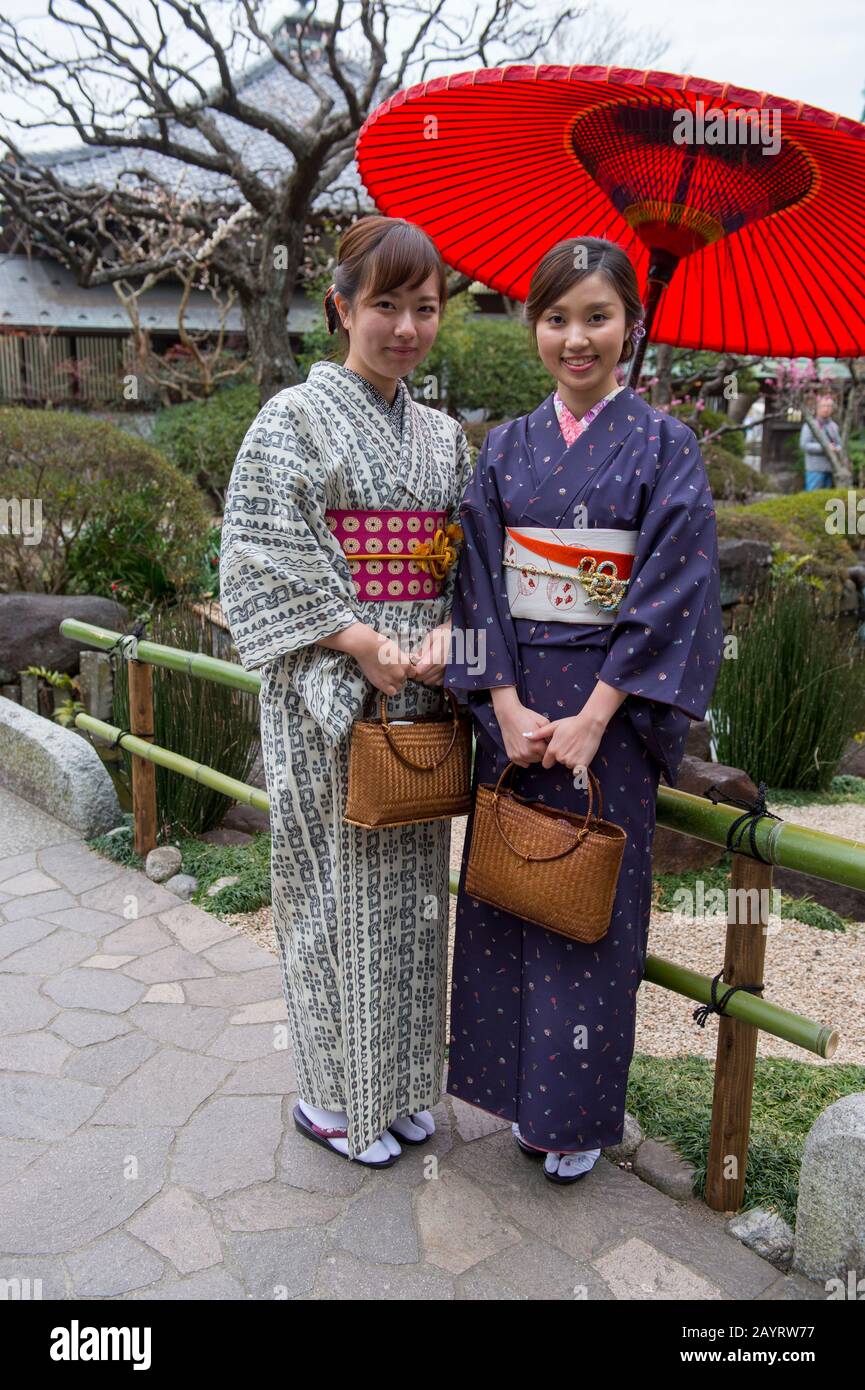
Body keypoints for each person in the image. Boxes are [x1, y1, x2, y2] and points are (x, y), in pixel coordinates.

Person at [444, 236, 724, 1185]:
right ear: (534, 328)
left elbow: (670, 589)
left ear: (629, 328)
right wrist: (506, 706)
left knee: (589, 909)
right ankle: (513, 1092)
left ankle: (570, 1118)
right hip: (517, 719)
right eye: (556, 318)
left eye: (596, 317)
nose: (576, 338)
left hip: (606, 721)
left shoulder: (665, 445)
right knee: (511, 894)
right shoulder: (504, 449)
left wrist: (598, 716)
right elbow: (478, 584)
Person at [219, 216, 474, 1166]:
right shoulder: (291, 420)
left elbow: (467, 556)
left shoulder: (443, 439)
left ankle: (402, 1088)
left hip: (415, 698)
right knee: (331, 893)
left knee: (413, 896)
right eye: (384, 306)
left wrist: (449, 631)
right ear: (340, 308)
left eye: (424, 307)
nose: (405, 326)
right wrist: (359, 638)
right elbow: (257, 551)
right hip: (326, 691)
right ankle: (331, 1098)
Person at [800, 393, 841, 491]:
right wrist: (826, 447)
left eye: (829, 406)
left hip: (831, 467)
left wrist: (837, 448)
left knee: (826, 500)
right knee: (812, 498)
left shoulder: (834, 426)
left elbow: (839, 444)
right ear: (817, 407)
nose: (826, 409)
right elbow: (804, 445)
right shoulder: (810, 425)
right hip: (815, 468)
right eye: (823, 406)